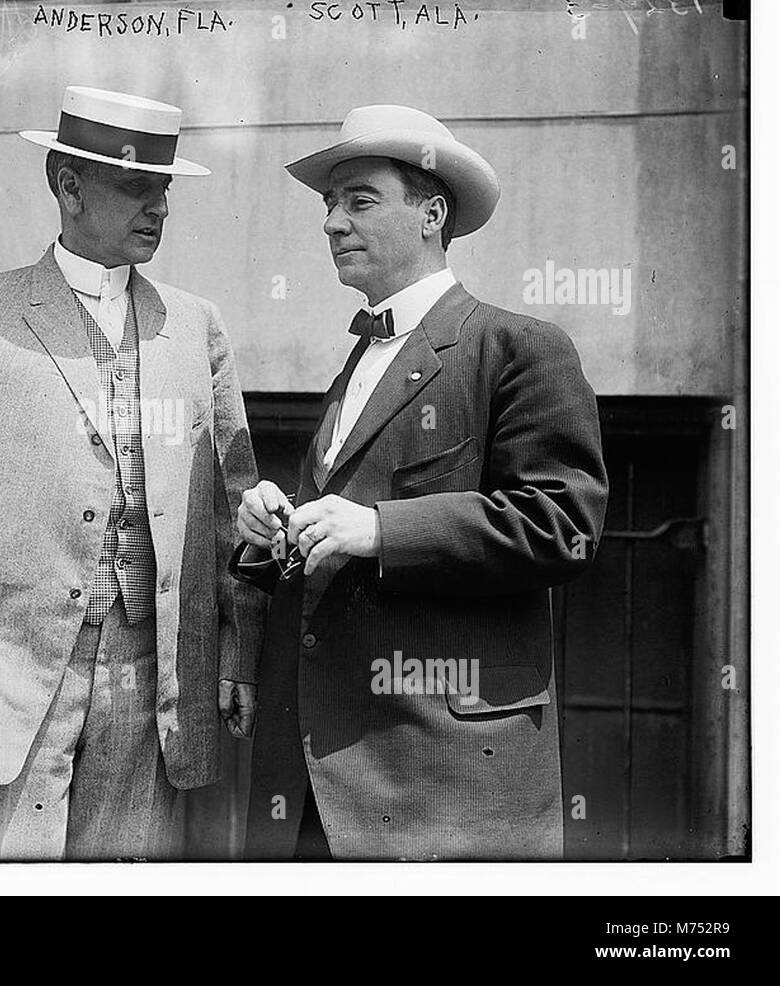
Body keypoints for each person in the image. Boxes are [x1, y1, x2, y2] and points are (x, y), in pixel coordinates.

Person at [0, 85, 263, 860]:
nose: (158, 210)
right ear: (69, 186)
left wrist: (238, 650)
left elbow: (232, 504)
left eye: (165, 192)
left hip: (153, 674)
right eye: (135, 188)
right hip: (10, 670)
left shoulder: (195, 326)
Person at [233, 104, 609, 859]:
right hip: (323, 777)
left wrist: (376, 530)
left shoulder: (522, 348)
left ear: (433, 213)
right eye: (329, 204)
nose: (333, 223)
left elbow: (563, 525)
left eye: (359, 200)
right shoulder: (357, 363)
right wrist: (274, 533)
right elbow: (334, 536)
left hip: (450, 781)